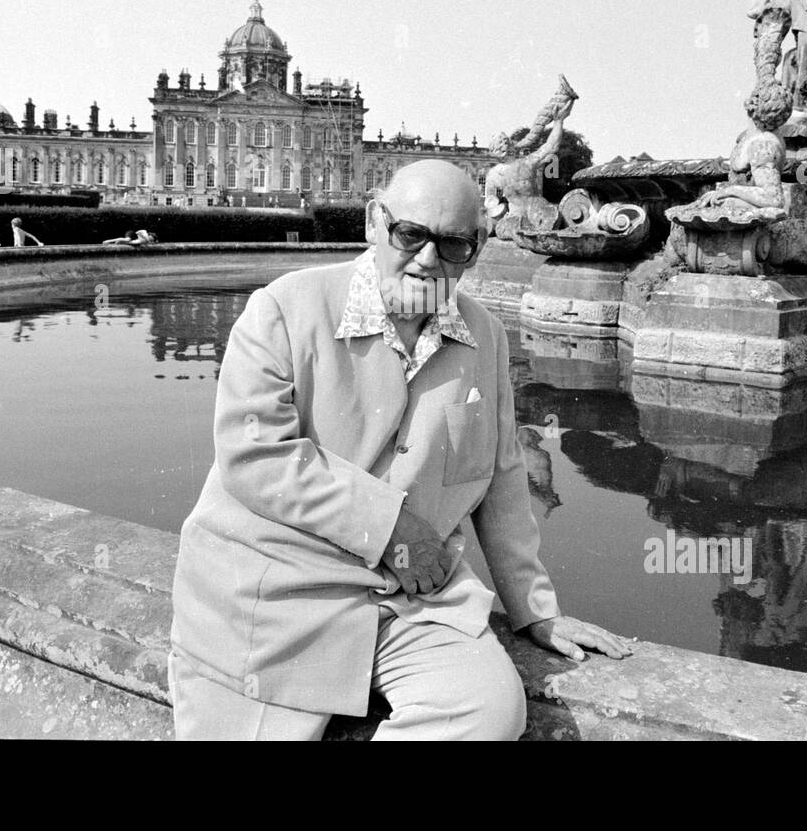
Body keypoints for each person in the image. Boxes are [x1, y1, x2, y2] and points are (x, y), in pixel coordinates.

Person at [169, 160, 631, 741]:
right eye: (411, 234)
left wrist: (534, 608)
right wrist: (391, 527)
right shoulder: (284, 308)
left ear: (477, 250)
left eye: (453, 244)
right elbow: (254, 454)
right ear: (373, 222)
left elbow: (503, 474)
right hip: (278, 593)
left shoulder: (484, 335)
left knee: (489, 710)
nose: (429, 259)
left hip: (412, 600)